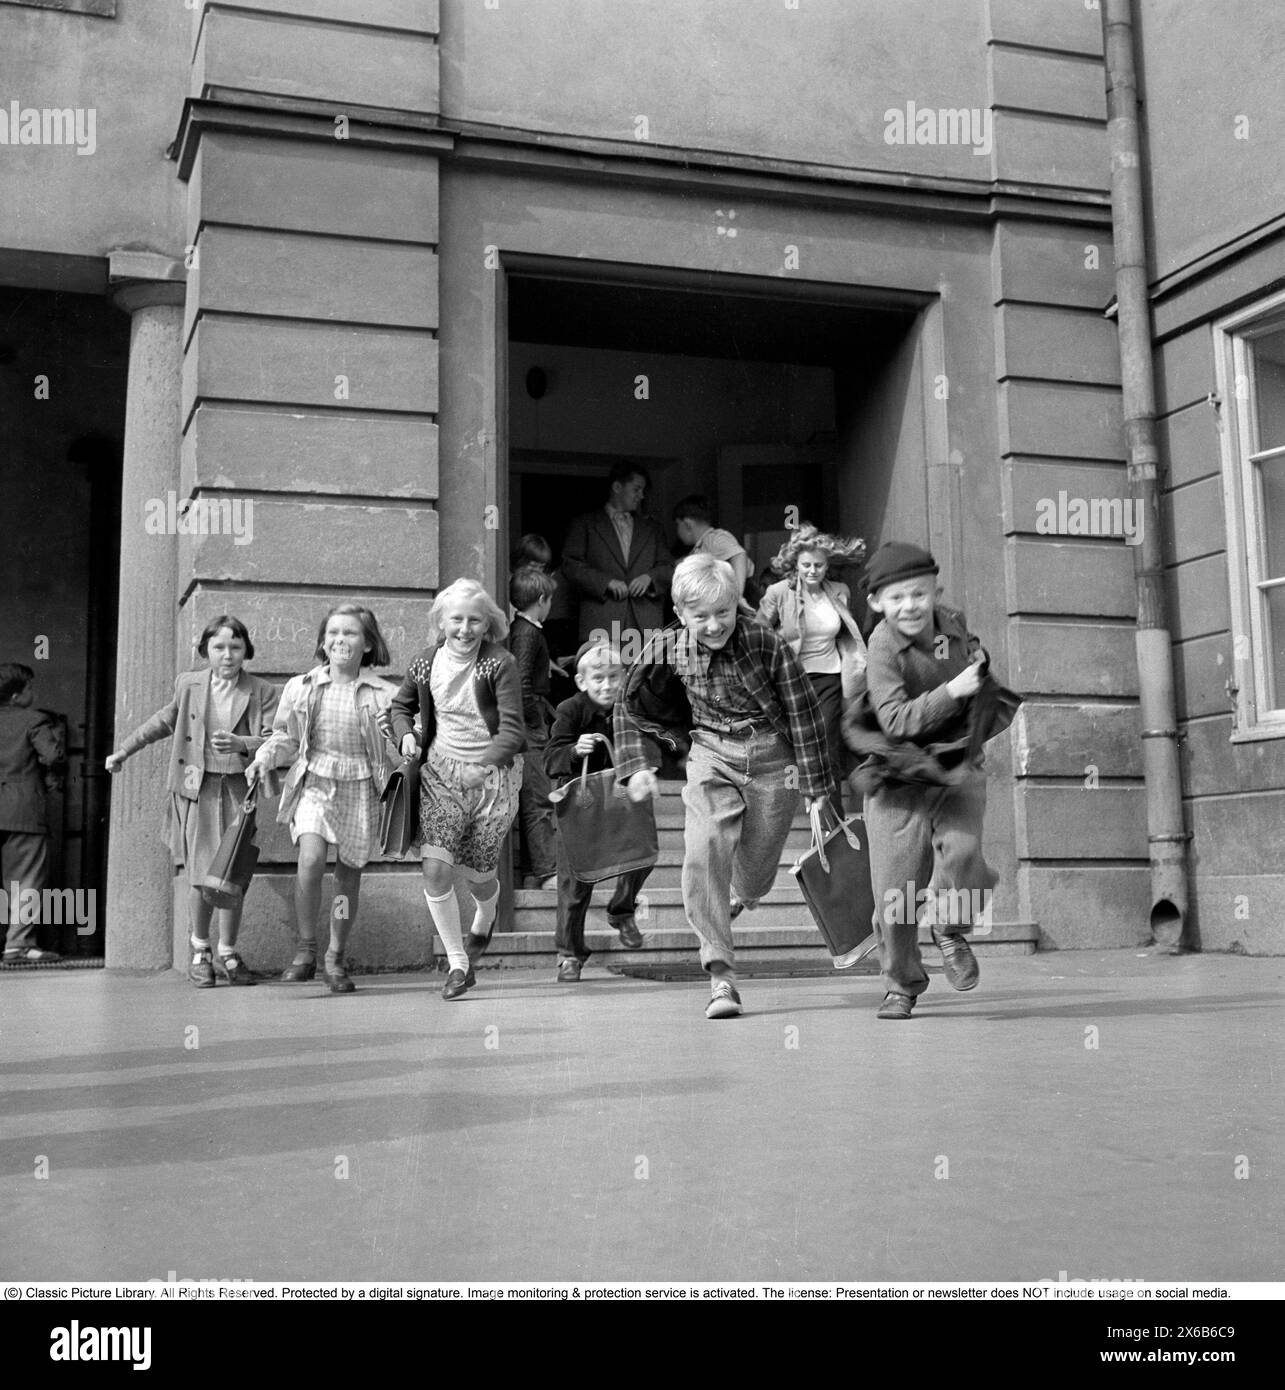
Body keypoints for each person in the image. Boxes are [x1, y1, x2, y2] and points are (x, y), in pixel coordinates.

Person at [614, 554, 832, 1020]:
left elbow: (804, 712)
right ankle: (721, 976)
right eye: (701, 617)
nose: (714, 625)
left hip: (774, 757)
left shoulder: (764, 642)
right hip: (710, 752)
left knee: (754, 874)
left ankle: (741, 896)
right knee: (704, 845)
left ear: (737, 604)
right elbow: (627, 704)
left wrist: (816, 788)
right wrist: (638, 766)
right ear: (680, 613)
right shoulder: (667, 646)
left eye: (723, 613)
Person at [843, 542, 1016, 1021]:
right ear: (877, 602)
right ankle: (901, 985)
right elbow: (896, 719)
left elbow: (972, 661)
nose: (910, 606)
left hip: (956, 765)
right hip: (897, 772)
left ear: (933, 591)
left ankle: (950, 927)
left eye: (918, 594)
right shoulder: (881, 646)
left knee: (963, 854)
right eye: (897, 598)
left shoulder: (953, 623)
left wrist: (978, 671)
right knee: (895, 897)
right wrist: (953, 690)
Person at [106, 620, 276, 986]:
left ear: (246, 650)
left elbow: (274, 739)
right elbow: (164, 721)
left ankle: (229, 951)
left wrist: (242, 744)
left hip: (238, 791)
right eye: (219, 647)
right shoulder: (189, 684)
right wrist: (124, 749)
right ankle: (201, 948)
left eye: (235, 646)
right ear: (205, 651)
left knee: (233, 873)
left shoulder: (261, 690)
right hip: (196, 789)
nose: (227, 655)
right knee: (202, 872)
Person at [248, 604, 396, 995]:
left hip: (360, 785)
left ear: (368, 644)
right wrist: (264, 756)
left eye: (350, 633)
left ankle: (335, 955)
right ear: (322, 641)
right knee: (310, 860)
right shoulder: (303, 687)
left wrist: (393, 738)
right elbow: (285, 738)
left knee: (347, 877)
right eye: (333, 633)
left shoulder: (385, 694)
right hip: (314, 780)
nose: (340, 641)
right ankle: (305, 948)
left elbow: (399, 753)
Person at [389, 579, 526, 1000]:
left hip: (492, 776)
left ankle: (486, 910)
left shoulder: (499, 664)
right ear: (440, 622)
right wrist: (404, 737)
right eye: (457, 620)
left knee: (478, 875)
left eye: (474, 621)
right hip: (440, 774)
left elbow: (513, 730)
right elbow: (400, 707)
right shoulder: (425, 663)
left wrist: (483, 767)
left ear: (488, 625)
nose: (465, 629)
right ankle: (458, 964)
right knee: (436, 866)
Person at [544, 641, 656, 981]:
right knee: (574, 883)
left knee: (645, 853)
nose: (607, 685)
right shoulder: (569, 709)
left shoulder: (630, 707)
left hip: (621, 800)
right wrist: (575, 749)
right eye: (598, 679)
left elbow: (649, 742)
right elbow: (550, 758)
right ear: (582, 682)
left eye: (613, 677)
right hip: (582, 806)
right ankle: (569, 954)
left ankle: (621, 910)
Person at [756, 523, 867, 821]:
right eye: (806, 565)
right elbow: (757, 633)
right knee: (789, 746)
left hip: (830, 677)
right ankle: (781, 812)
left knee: (827, 745)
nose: (812, 571)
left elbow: (846, 632)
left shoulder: (839, 592)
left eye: (819, 565)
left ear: (828, 564)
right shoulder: (779, 593)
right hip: (792, 681)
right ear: (795, 564)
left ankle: (833, 823)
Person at [561, 462, 674, 647]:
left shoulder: (653, 528)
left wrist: (650, 578)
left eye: (643, 490)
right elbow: (570, 564)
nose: (641, 496)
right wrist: (605, 582)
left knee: (644, 676)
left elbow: (669, 566)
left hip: (645, 622)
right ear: (617, 487)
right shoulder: (585, 524)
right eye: (636, 489)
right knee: (603, 674)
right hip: (602, 621)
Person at [1, 664, 67, 963]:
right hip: (23, 809)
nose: (33, 693)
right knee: (25, 879)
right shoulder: (34, 720)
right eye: (29, 688)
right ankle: (18, 944)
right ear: (16, 696)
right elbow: (52, 756)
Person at [507, 565, 558, 889]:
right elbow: (521, 680)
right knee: (539, 798)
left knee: (531, 798)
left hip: (527, 722)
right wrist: (535, 720)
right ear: (541, 599)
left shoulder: (522, 630)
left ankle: (530, 872)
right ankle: (547, 871)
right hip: (529, 725)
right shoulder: (528, 632)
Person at [671, 495, 755, 613]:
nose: (677, 531)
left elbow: (739, 555)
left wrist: (738, 596)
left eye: (677, 525)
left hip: (746, 597)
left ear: (687, 524)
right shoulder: (700, 548)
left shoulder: (714, 538)